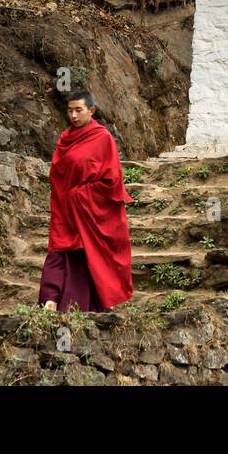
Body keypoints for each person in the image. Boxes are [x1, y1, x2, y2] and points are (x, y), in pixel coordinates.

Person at [38, 90, 134, 313]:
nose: (73, 115)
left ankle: (84, 303)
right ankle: (50, 298)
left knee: (86, 252)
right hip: (64, 207)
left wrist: (81, 195)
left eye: (78, 110)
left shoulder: (102, 138)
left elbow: (111, 180)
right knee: (59, 247)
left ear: (91, 111)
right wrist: (69, 196)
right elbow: (58, 174)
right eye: (70, 110)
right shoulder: (65, 138)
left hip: (89, 209)